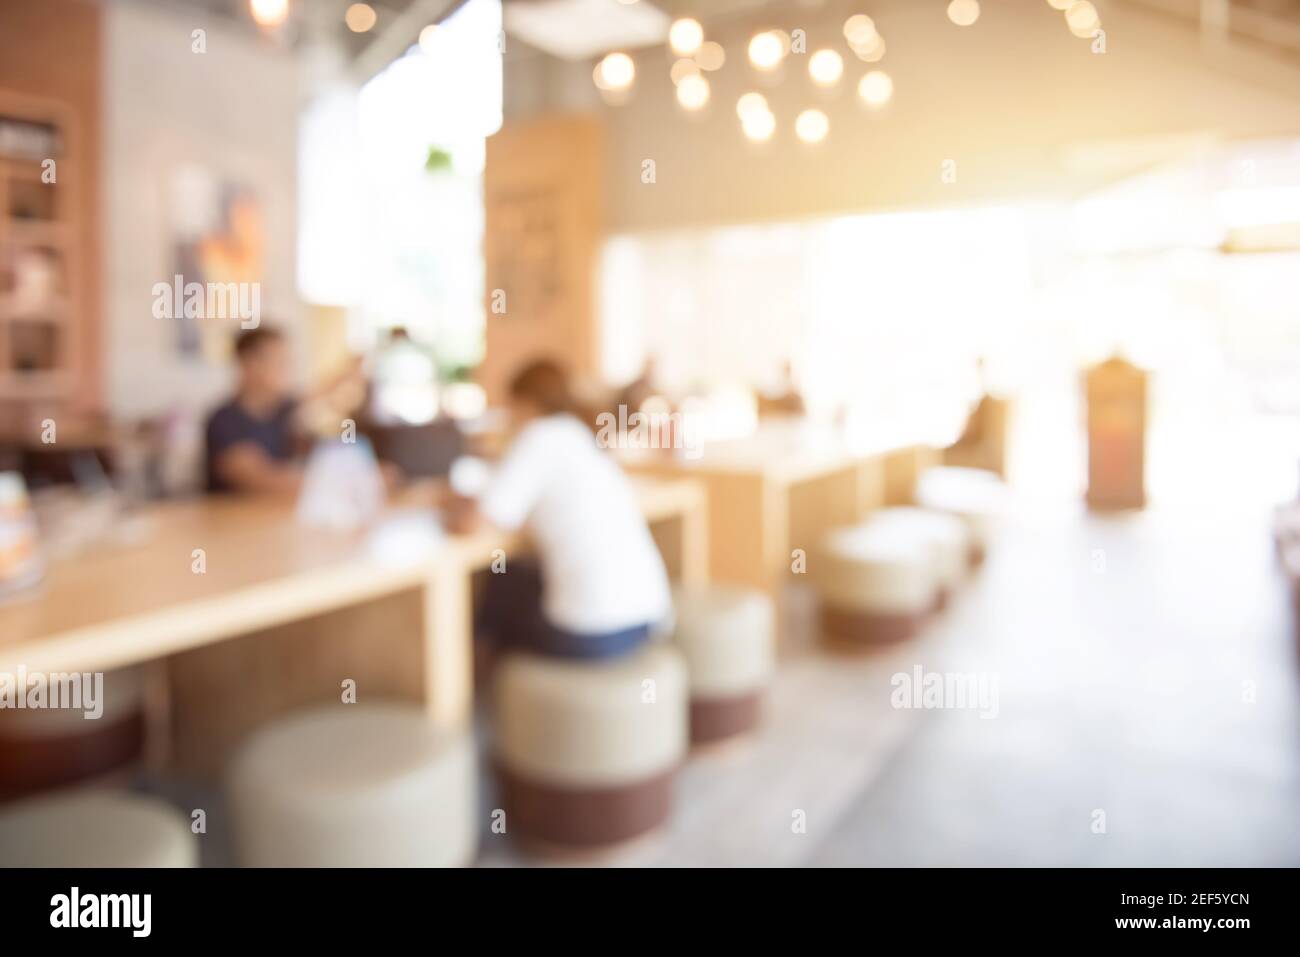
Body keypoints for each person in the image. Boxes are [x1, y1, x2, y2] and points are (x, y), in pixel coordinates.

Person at [445, 359, 670, 660]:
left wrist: (447, 504)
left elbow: (474, 523)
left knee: (503, 583)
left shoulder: (538, 437)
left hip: (594, 634)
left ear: (523, 403)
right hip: (646, 619)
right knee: (512, 576)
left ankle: (467, 674)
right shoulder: (579, 435)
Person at [204, 327, 370, 495]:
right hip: (233, 518)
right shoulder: (225, 421)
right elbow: (259, 480)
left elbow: (318, 392)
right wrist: (352, 481)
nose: (286, 368)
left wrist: (349, 370)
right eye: (278, 361)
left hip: (275, 516)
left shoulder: (281, 410)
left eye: (286, 360)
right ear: (248, 364)